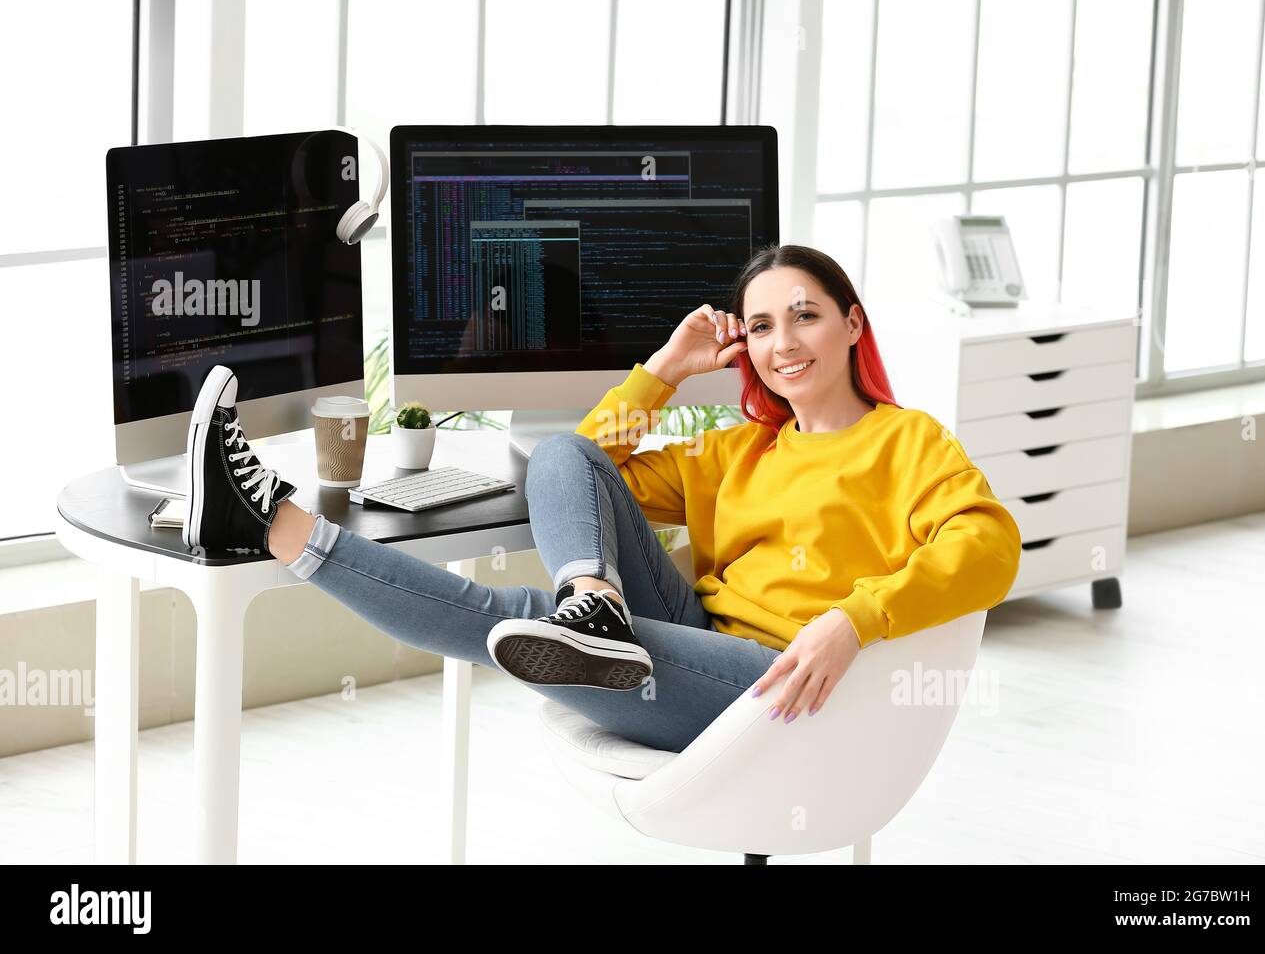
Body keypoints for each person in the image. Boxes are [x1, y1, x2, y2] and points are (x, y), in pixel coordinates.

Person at [181, 243, 1021, 754]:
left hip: (780, 682)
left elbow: (990, 547)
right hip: (692, 638)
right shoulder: (741, 449)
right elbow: (581, 469)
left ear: (851, 323)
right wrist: (665, 368)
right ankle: (594, 605)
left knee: (506, 611)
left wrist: (854, 619)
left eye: (803, 316)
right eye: (760, 327)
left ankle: (271, 524)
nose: (782, 342)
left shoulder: (908, 442)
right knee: (563, 452)